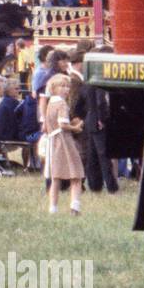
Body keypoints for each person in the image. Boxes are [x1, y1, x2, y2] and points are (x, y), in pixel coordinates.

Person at [41, 72, 85, 215]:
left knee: (56, 177)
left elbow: (52, 124)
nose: (66, 89)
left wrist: (69, 123)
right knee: (76, 175)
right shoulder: (62, 104)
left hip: (53, 142)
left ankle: (53, 208)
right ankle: (75, 207)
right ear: (53, 88)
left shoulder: (50, 103)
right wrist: (76, 127)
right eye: (62, 86)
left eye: (67, 86)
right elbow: (63, 125)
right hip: (64, 142)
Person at [81, 44, 119, 194]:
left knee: (93, 155)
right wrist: (102, 118)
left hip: (91, 119)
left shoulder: (90, 75)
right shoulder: (101, 75)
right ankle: (111, 187)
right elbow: (101, 100)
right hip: (99, 121)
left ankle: (95, 184)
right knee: (104, 155)